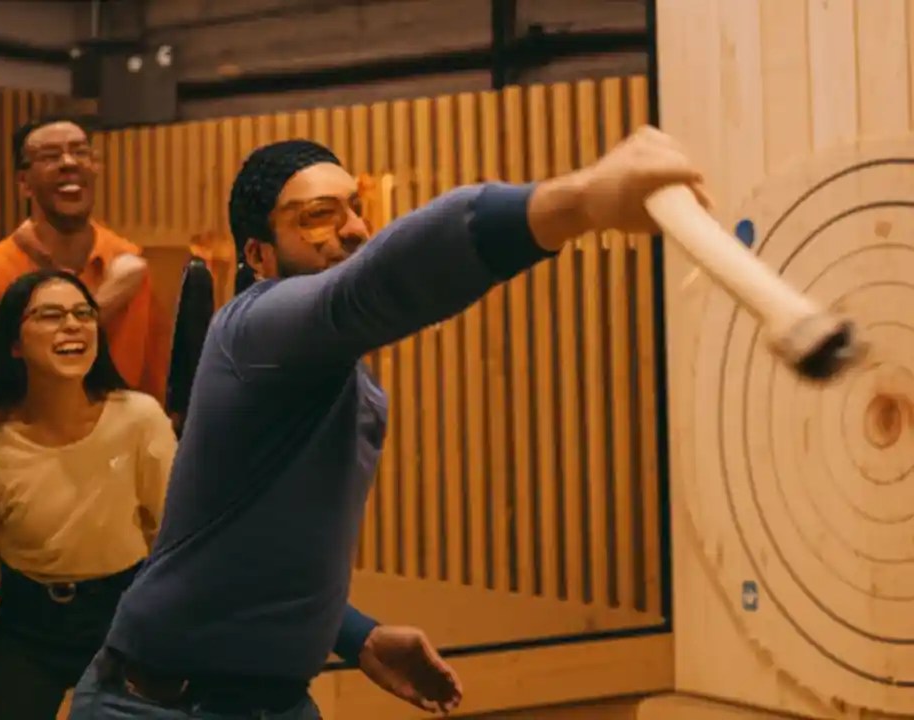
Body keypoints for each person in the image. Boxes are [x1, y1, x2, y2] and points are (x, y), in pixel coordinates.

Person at [68, 127, 710, 719]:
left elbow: (264, 549)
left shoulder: (356, 384)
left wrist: (354, 634)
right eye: (318, 215)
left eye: (354, 206)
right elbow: (375, 286)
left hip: (274, 701)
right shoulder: (252, 326)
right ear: (259, 256)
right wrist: (580, 201)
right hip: (156, 705)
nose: (353, 229)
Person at [0, 270, 176, 720]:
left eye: (83, 313)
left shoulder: (138, 418)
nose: (72, 325)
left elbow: (177, 535)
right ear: (14, 343)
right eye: (50, 315)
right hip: (27, 622)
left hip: (122, 614)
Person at [0, 115, 170, 402]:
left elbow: (155, 384)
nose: (69, 163)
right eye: (50, 156)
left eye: (80, 152)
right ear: (24, 183)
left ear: (95, 168)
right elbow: (0, 395)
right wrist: (101, 305)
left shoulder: (130, 261)